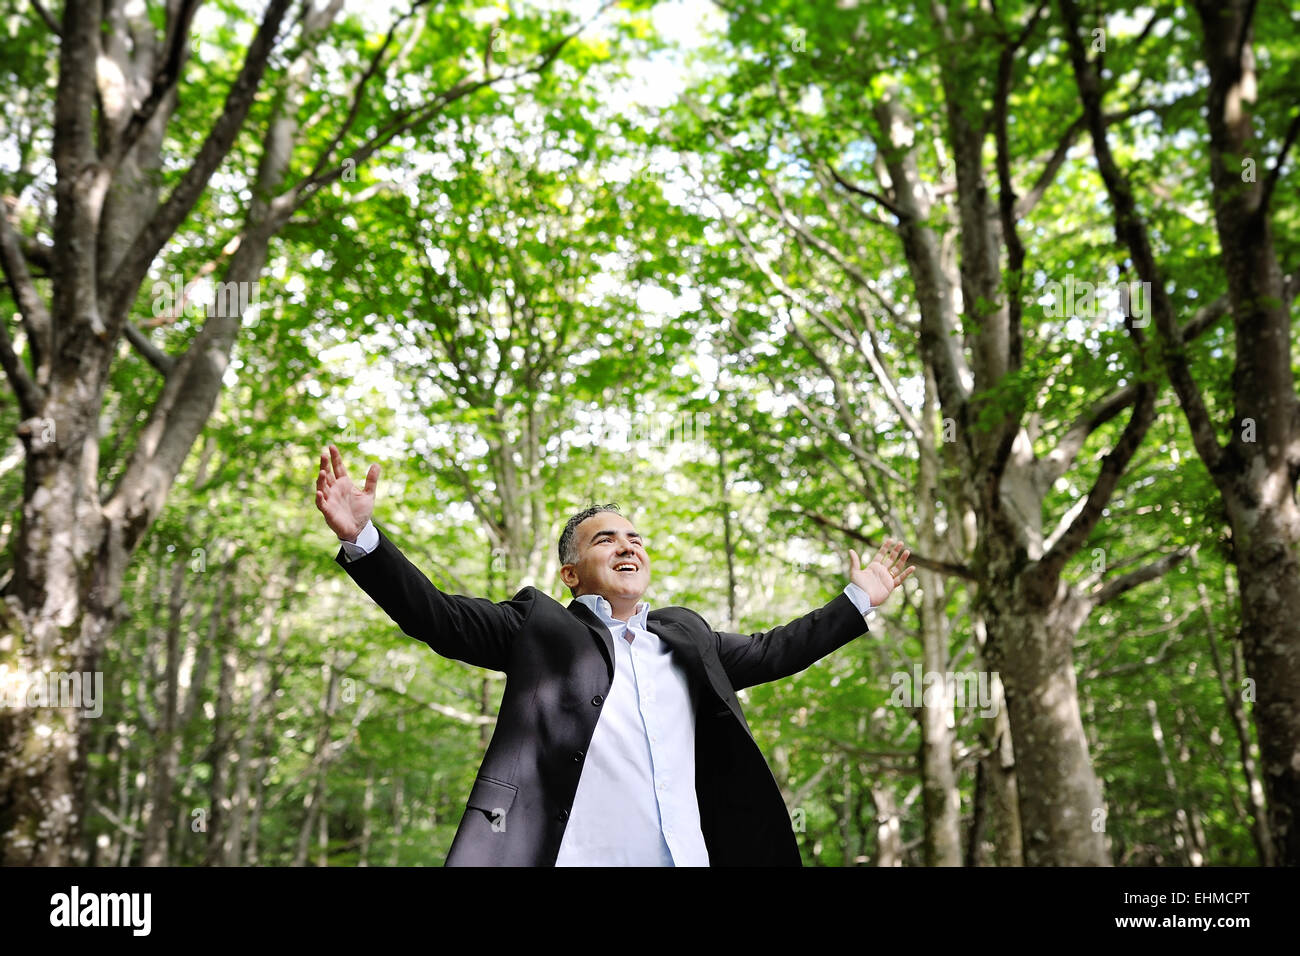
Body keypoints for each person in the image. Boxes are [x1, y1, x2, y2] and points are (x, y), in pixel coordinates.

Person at [315, 444, 915, 866]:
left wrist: (858, 599)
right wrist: (362, 539)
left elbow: (778, 648)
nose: (627, 546)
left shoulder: (686, 636)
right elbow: (437, 616)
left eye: (635, 539)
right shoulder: (537, 626)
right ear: (571, 573)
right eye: (607, 539)